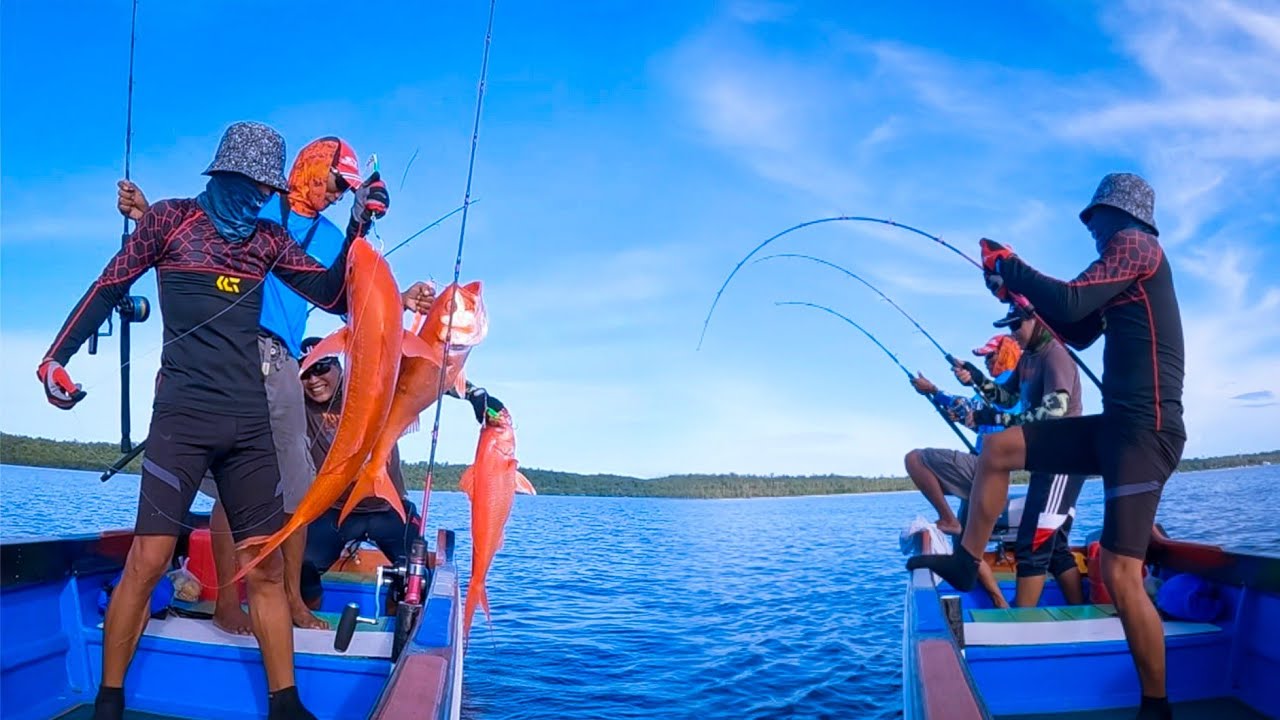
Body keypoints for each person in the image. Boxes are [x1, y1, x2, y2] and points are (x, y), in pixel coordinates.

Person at [38, 122, 355, 719]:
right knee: (150, 559)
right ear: (222, 174)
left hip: (248, 426)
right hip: (182, 419)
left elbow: (335, 296)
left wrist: (361, 221)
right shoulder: (169, 221)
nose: (257, 197)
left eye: (266, 188)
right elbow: (107, 287)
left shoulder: (265, 240)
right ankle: (109, 699)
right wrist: (56, 357)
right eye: (248, 184)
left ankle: (286, 705)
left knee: (261, 571)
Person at [116, 137, 437, 634]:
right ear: (309, 167)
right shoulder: (257, 202)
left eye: (347, 189)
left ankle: (291, 600)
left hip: (284, 361)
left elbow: (348, 293)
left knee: (296, 486)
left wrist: (401, 293)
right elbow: (191, 229)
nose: (337, 193)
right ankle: (226, 603)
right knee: (229, 485)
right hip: (225, 355)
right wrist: (144, 214)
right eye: (336, 182)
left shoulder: (334, 236)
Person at [908, 173, 1185, 720]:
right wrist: (1018, 292)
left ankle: (1157, 706)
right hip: (1115, 427)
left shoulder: (1137, 245)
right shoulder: (1124, 262)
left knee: (1125, 575)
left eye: (1094, 220)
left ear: (1118, 213)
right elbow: (1078, 328)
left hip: (1146, 430)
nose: (1092, 231)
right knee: (999, 450)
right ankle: (967, 562)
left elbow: (1070, 298)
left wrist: (1012, 266)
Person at [295, 336, 506, 608]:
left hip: (388, 506)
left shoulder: (372, 389)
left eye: (321, 368)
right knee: (301, 564)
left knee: (415, 573)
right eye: (305, 372)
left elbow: (430, 379)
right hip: (336, 509)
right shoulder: (296, 402)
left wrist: (476, 395)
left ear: (339, 367)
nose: (313, 379)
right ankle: (307, 619)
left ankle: (398, 625)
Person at [954, 307, 1086, 608]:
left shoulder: (1055, 355)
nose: (1013, 331)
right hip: (1046, 461)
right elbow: (1007, 397)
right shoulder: (1028, 357)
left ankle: (1021, 620)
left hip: (1063, 460)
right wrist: (975, 377)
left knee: (1033, 544)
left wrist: (998, 422)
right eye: (1009, 325)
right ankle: (1081, 610)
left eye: (1017, 324)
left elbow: (1056, 408)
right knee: (1055, 548)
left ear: (1038, 320)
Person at [907, 334, 1021, 608]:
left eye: (991, 356)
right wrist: (937, 395)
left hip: (988, 470)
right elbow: (974, 418)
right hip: (988, 471)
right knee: (967, 552)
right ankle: (999, 601)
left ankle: (946, 518)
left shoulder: (1007, 383)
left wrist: (934, 390)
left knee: (914, 459)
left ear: (1005, 354)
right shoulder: (1002, 385)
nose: (987, 361)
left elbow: (970, 409)